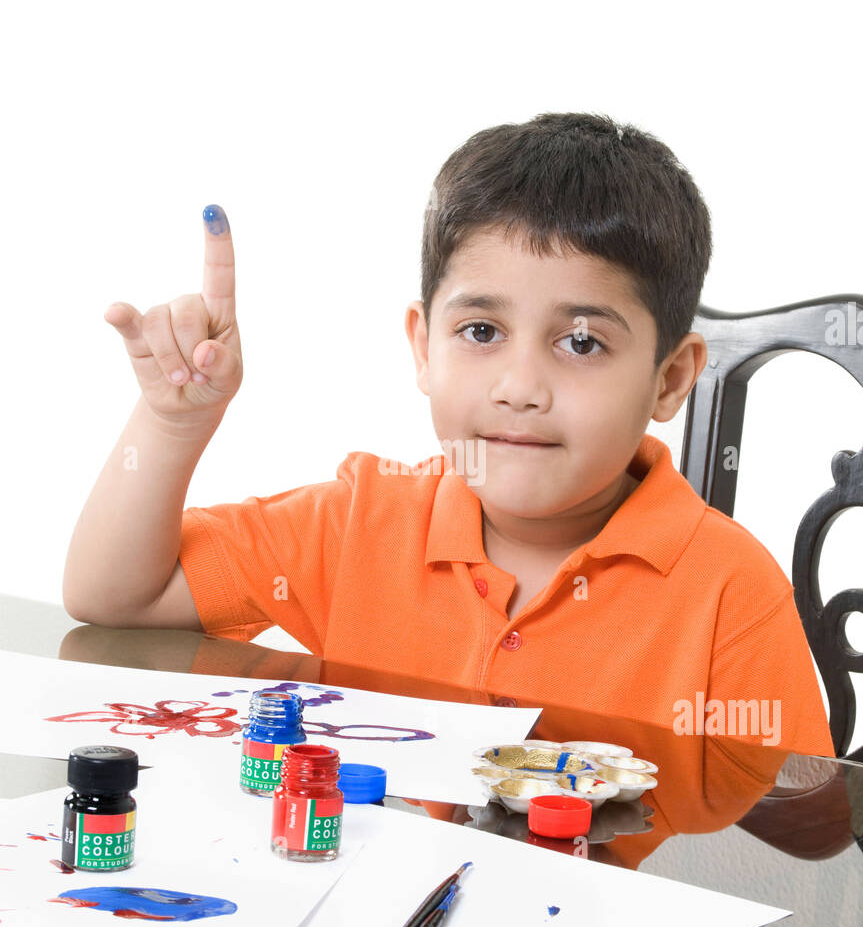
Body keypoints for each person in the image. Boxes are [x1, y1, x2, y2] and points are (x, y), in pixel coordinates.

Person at [62, 113, 834, 756]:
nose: (519, 388)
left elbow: (802, 830)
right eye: (480, 330)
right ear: (422, 347)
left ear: (669, 379)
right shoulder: (361, 520)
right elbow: (115, 597)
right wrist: (172, 422)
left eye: (582, 343)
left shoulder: (728, 589)